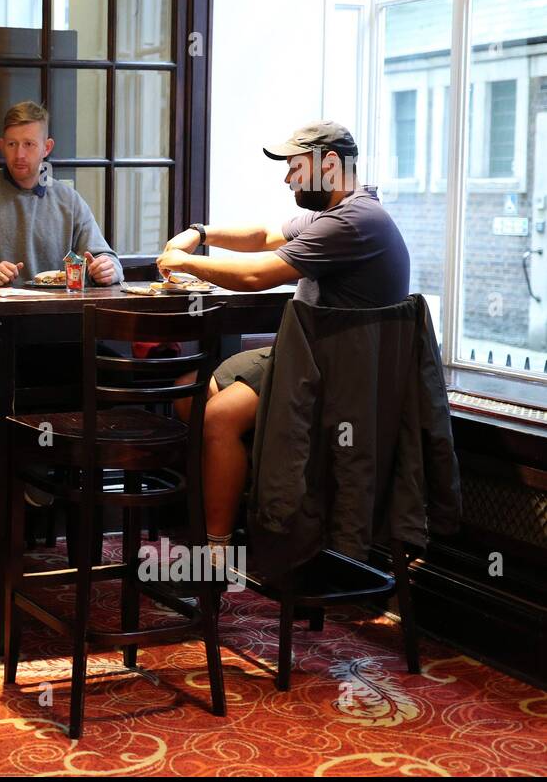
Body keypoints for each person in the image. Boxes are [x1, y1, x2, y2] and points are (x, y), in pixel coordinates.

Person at [156, 120, 411, 565]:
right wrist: (202, 232)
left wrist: (186, 263)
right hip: (312, 355)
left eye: (295, 167)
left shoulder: (353, 223)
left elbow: (257, 275)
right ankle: (256, 515)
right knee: (190, 394)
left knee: (216, 418)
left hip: (340, 377)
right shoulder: (335, 212)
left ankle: (215, 557)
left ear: (329, 164)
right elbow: (266, 236)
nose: (287, 178)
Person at [0, 101, 123, 288]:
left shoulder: (68, 200)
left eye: (29, 144)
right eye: (12, 144)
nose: (19, 154)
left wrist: (107, 269)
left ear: (46, 147)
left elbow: (107, 259)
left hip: (56, 314)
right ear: (2, 145)